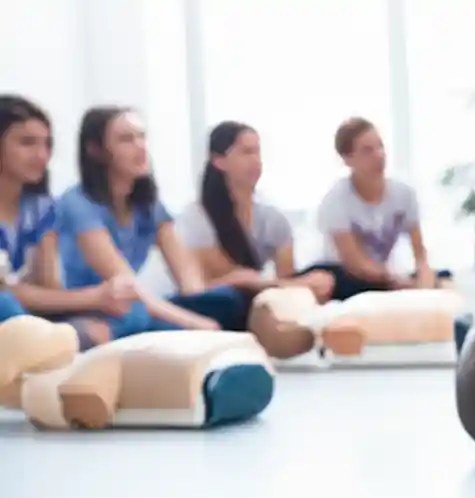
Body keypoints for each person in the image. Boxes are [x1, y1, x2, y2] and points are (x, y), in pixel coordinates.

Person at [56, 106, 250, 333]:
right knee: (140, 317)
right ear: (96, 150)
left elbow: (189, 280)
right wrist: (195, 323)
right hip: (99, 310)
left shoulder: (148, 204)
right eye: (126, 139)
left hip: (136, 303)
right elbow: (127, 285)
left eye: (141, 137)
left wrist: (205, 310)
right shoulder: (78, 203)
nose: (140, 146)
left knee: (228, 301)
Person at [0, 95, 147, 348]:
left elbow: (48, 287)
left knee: (132, 311)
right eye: (27, 143)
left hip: (30, 318)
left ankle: (59, 343)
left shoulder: (41, 208)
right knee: (6, 305)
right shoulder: (75, 202)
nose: (41, 155)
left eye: (47, 144)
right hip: (10, 314)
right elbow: (5, 293)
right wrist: (93, 297)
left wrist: (102, 299)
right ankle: (60, 343)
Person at [176, 121, 334, 303]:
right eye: (246, 152)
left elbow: (285, 277)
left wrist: (303, 285)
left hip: (255, 296)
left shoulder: (272, 218)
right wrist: (293, 284)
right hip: (211, 303)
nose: (255, 160)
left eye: (257, 152)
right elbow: (215, 283)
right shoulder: (197, 217)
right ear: (219, 161)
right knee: (230, 299)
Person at [305, 117, 449, 301]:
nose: (379, 155)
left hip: (384, 276)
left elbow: (420, 255)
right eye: (367, 151)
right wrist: (396, 280)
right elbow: (355, 264)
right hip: (345, 276)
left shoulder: (404, 194)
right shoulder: (335, 200)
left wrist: (425, 285)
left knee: (444, 279)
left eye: (380, 147)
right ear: (347, 159)